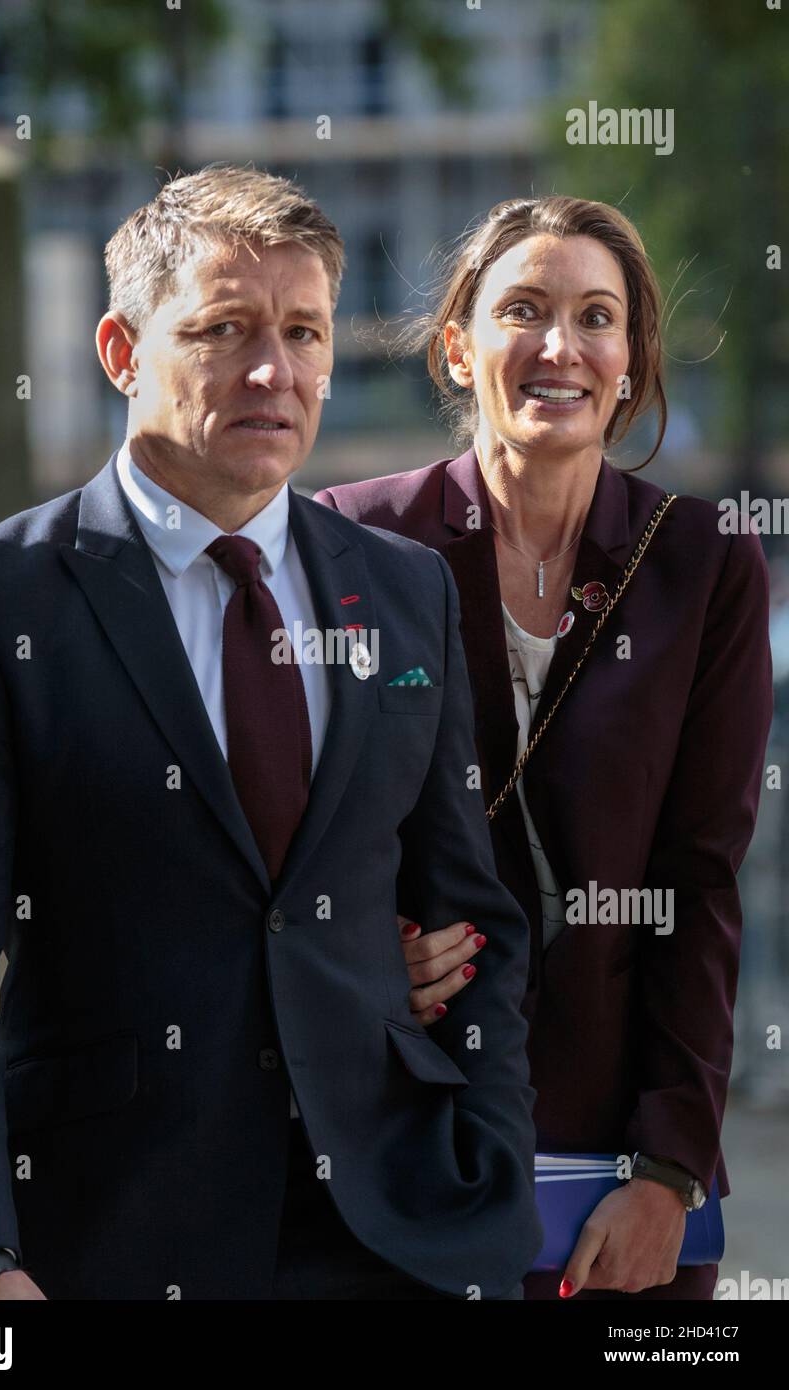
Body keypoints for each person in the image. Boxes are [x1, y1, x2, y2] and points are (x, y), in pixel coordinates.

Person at [0, 165, 541, 1301]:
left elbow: (474, 914)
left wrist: (490, 1173)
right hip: (106, 1239)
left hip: (405, 1233)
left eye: (304, 331)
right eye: (224, 329)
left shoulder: (406, 588)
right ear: (122, 352)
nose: (273, 370)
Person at [314, 194, 773, 1301]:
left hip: (615, 1173)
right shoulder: (345, 537)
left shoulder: (704, 564)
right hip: (395, 1140)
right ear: (457, 348)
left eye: (596, 317)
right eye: (522, 309)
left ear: (630, 360)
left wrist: (667, 1172)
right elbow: (295, 848)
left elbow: (698, 882)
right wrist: (368, 949)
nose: (560, 347)